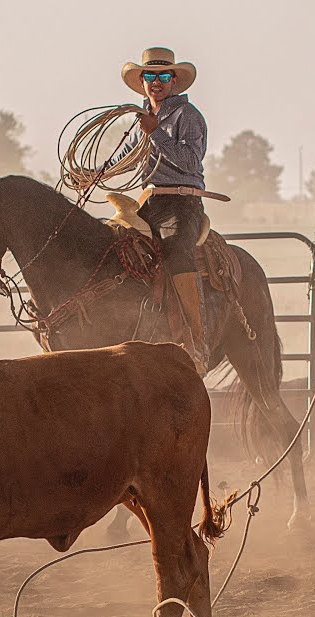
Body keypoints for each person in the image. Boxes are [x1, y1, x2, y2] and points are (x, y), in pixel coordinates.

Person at [112, 47, 212, 373]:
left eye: (164, 76)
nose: (156, 82)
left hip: (181, 203)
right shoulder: (144, 120)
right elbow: (126, 156)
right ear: (141, 81)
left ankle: (196, 338)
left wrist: (155, 133)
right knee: (116, 241)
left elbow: (189, 161)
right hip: (150, 203)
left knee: (176, 250)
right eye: (150, 76)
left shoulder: (188, 116)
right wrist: (95, 173)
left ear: (174, 81)